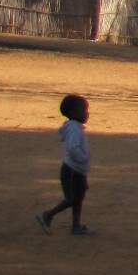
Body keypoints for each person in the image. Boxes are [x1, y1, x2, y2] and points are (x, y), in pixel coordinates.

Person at [37, 94, 94, 236]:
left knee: (78, 198)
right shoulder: (74, 129)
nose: (87, 113)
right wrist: (83, 158)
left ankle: (76, 226)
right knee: (72, 198)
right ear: (73, 113)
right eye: (83, 110)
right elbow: (73, 148)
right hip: (72, 170)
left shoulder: (76, 128)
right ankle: (48, 215)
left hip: (78, 170)